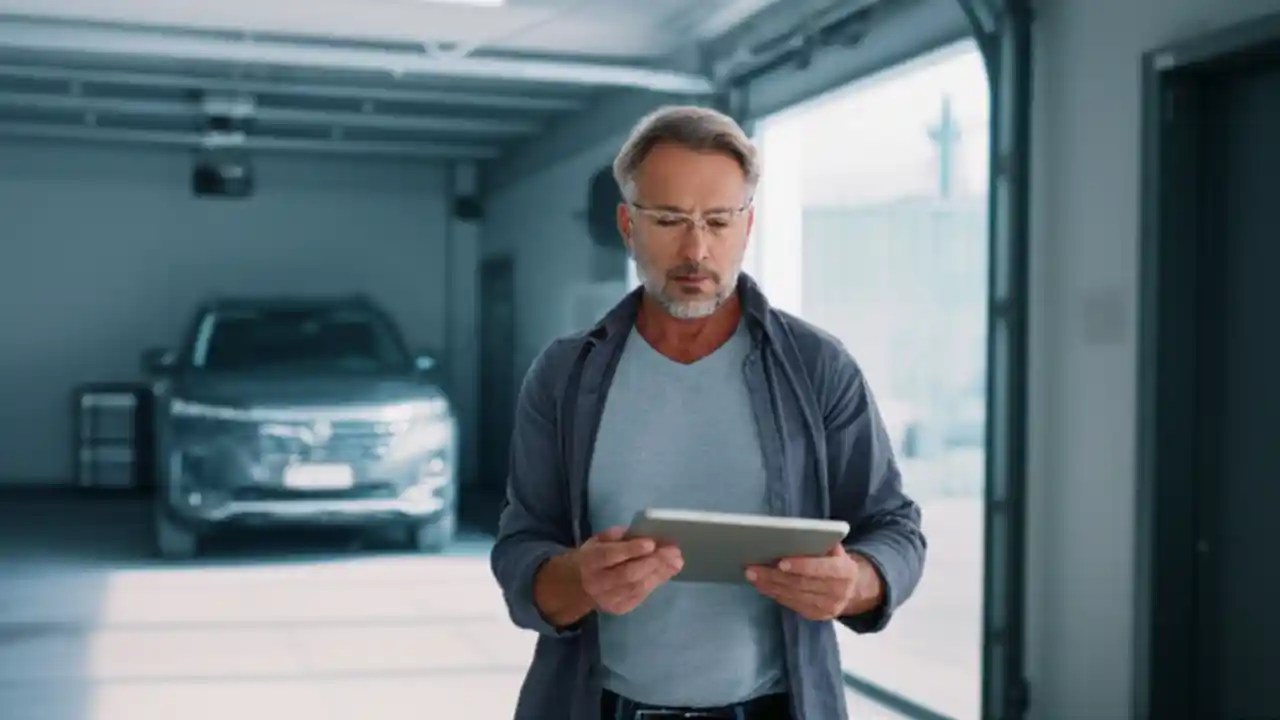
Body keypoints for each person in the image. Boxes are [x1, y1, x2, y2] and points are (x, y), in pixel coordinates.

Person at [490, 105, 926, 720]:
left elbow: (895, 529)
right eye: (669, 219)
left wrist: (857, 582)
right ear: (627, 224)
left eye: (718, 221)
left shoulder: (819, 367)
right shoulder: (565, 374)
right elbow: (519, 550)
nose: (696, 249)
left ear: (748, 226)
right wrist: (577, 580)